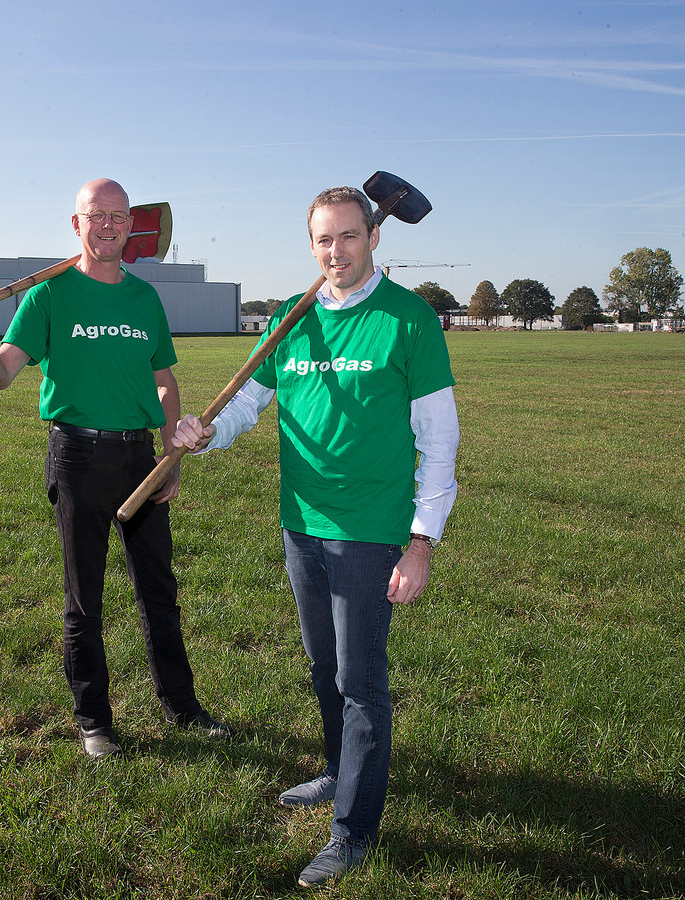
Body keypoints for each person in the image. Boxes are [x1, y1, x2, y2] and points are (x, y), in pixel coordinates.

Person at [172, 186, 459, 887]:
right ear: (310, 246)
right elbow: (248, 401)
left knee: (361, 682)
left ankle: (352, 832)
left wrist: (421, 542)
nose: (336, 251)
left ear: (373, 238)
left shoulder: (407, 319)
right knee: (322, 668)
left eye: (348, 237)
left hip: (370, 532)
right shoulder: (291, 318)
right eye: (323, 240)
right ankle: (336, 770)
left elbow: (440, 440)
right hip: (300, 525)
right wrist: (205, 434)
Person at [0, 178, 231, 760]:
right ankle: (94, 722)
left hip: (139, 457)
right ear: (76, 224)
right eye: (95, 215)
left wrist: (169, 454)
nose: (107, 225)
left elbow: (164, 379)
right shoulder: (48, 297)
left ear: (132, 226)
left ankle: (181, 706)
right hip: (77, 456)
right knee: (87, 599)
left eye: (118, 216)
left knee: (160, 591)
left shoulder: (143, 297)